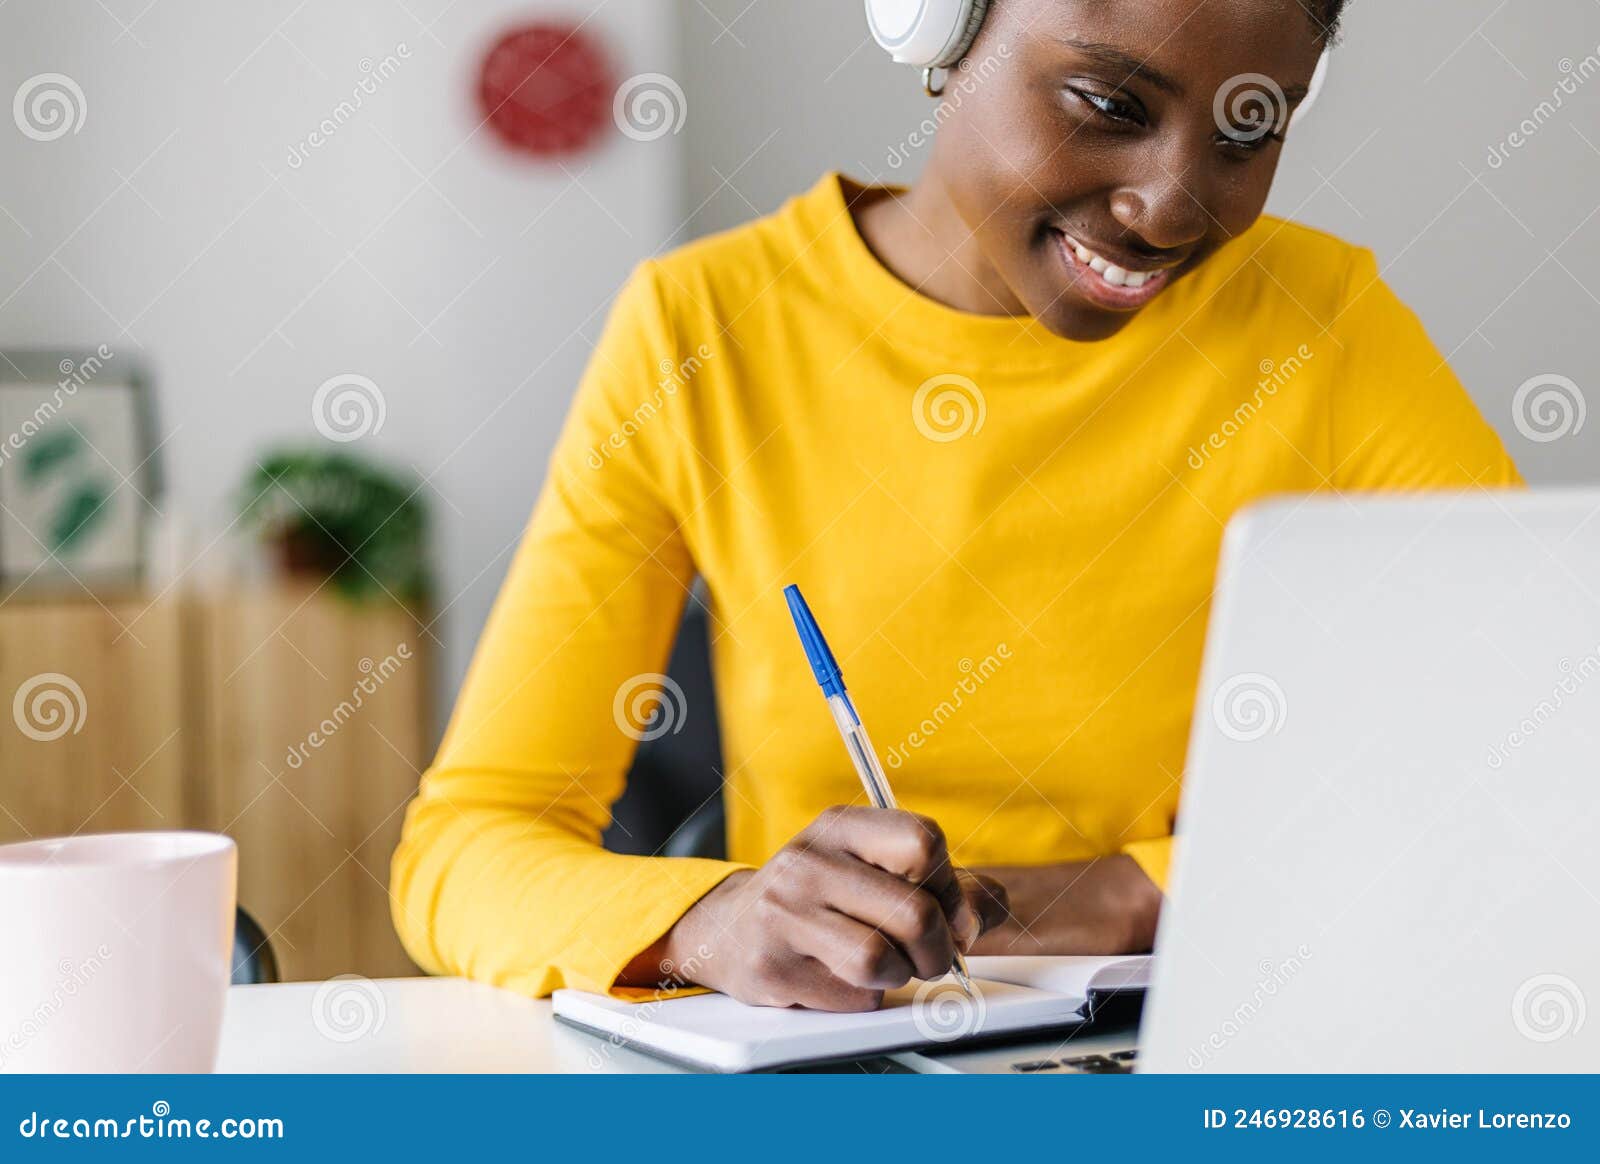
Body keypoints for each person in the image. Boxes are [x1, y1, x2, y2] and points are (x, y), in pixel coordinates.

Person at [391, 0, 1520, 1012]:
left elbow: (1538, 749)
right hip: (845, 1065)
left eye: (1246, 130)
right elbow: (465, 848)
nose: (1170, 208)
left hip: (1200, 1032)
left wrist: (1140, 890)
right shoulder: (701, 332)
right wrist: (712, 923)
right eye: (1107, 104)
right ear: (937, 24)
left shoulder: (1324, 326)